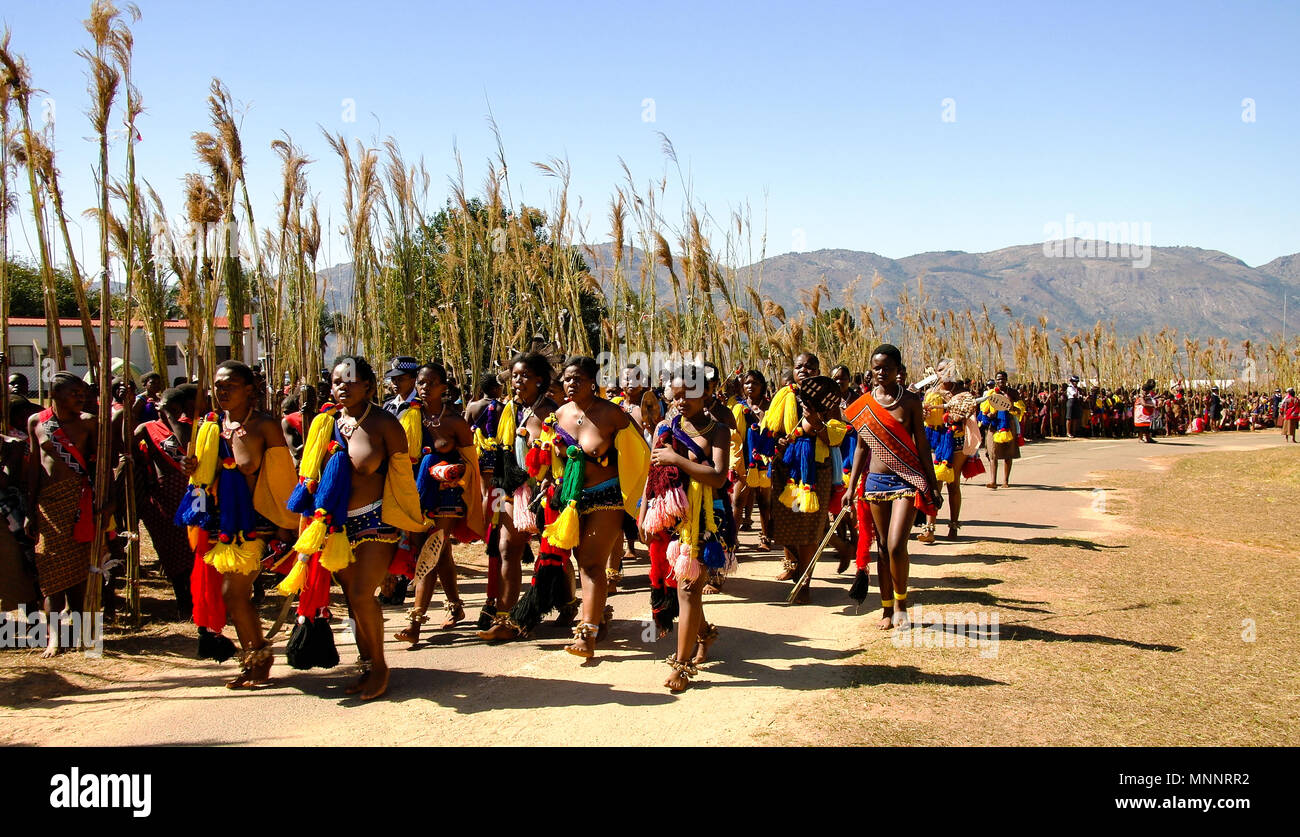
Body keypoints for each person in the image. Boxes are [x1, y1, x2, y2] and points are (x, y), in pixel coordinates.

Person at [283, 355, 426, 700]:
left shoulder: (385, 424)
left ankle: (379, 667)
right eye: (336, 382)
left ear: (369, 386)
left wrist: (414, 528)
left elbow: (404, 478)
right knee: (353, 598)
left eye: (350, 381)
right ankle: (366, 663)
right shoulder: (324, 423)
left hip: (376, 522)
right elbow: (309, 476)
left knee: (362, 594)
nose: (342, 387)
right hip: (336, 526)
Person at [177, 361, 299, 687]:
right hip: (222, 522)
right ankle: (255, 655)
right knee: (231, 595)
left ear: (249, 389)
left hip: (257, 524)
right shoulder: (211, 426)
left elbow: (282, 479)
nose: (222, 391)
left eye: (229, 385)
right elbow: (203, 479)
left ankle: (257, 658)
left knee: (234, 593)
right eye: (218, 386)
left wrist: (288, 524)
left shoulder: (265, 426)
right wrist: (194, 466)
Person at [543, 356, 648, 658]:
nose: (571, 383)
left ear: (593, 383)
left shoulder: (612, 415)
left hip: (607, 498)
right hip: (572, 501)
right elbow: (555, 461)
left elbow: (639, 454)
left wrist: (641, 501)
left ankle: (586, 634)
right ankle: (599, 614)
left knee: (590, 562)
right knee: (581, 562)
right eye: (566, 379)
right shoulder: (558, 415)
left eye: (577, 378)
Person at [642, 364, 734, 692]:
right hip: (673, 515)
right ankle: (704, 633)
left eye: (688, 395)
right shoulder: (666, 427)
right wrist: (644, 514)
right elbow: (652, 474)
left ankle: (680, 667)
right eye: (676, 396)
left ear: (706, 393)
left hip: (708, 519)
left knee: (687, 588)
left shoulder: (718, 430)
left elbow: (719, 476)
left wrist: (677, 459)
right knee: (684, 587)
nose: (681, 401)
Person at [477, 351, 579, 642]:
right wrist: (500, 493)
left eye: (525, 376)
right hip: (515, 493)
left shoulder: (554, 411)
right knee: (508, 549)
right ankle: (506, 616)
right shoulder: (510, 411)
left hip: (548, 493)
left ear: (540, 380)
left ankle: (567, 603)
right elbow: (502, 455)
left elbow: (564, 455)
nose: (517, 381)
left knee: (554, 555)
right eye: (515, 375)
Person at [846, 345, 940, 629]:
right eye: (876, 368)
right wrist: (851, 487)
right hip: (874, 483)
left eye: (887, 367)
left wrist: (932, 484)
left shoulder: (911, 402)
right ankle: (886, 608)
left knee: (898, 545)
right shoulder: (864, 404)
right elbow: (861, 448)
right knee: (884, 548)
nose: (881, 372)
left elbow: (922, 444)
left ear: (898, 369)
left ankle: (901, 603)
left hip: (906, 479)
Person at [393, 362, 485, 641]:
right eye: (420, 383)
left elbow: (472, 463)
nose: (424, 388)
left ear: (444, 388)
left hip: (446, 495)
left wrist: (452, 473)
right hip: (414, 494)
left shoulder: (455, 421)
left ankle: (416, 622)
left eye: (431, 383)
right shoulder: (406, 417)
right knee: (440, 553)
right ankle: (456, 607)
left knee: (429, 550)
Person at [26, 373, 109, 656]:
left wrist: (104, 502)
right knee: (50, 572)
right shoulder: (37, 421)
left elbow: (101, 466)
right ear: (56, 393)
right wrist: (29, 509)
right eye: (74, 392)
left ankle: (85, 633)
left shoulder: (89, 422)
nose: (81, 397)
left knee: (80, 571)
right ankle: (54, 637)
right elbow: (35, 467)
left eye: (83, 393)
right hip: (48, 506)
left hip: (80, 503)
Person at [765, 353, 846, 601]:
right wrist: (778, 439)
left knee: (809, 527)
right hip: (786, 467)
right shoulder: (784, 396)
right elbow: (770, 428)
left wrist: (817, 424)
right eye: (799, 366)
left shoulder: (828, 399)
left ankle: (804, 582)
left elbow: (837, 436)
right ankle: (797, 566)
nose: (804, 370)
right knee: (787, 524)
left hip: (815, 469)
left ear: (818, 370)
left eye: (810, 367)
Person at [133, 383, 197, 616]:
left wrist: (173, 418)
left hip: (190, 494)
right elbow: (126, 446)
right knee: (173, 552)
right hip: (164, 496)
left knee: (193, 550)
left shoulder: (191, 428)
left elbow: (183, 445)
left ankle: (197, 600)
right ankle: (183, 603)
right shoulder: (147, 428)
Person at [918, 366, 979, 541]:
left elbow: (967, 413)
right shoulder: (931, 392)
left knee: (953, 484)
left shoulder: (962, 394)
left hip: (956, 441)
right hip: (934, 440)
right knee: (934, 483)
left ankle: (953, 526)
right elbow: (924, 416)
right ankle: (929, 529)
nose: (943, 373)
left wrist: (957, 412)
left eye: (946, 369)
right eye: (939, 370)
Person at [732, 369, 773, 550]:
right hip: (745, 461)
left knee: (764, 502)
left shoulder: (770, 407)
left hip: (765, 461)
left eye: (755, 383)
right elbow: (733, 436)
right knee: (738, 500)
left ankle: (765, 538)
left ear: (762, 386)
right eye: (747, 383)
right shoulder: (738, 408)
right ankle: (732, 539)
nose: (750, 386)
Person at [981, 371, 1022, 489]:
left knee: (1008, 453)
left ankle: (1005, 481)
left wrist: (1012, 407)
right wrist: (989, 415)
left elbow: (1021, 409)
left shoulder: (1013, 393)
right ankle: (993, 481)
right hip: (994, 425)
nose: (1000, 381)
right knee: (993, 453)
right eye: (998, 379)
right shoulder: (990, 393)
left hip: (1008, 425)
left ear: (1006, 380)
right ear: (995, 380)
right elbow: (984, 409)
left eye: (1003, 379)